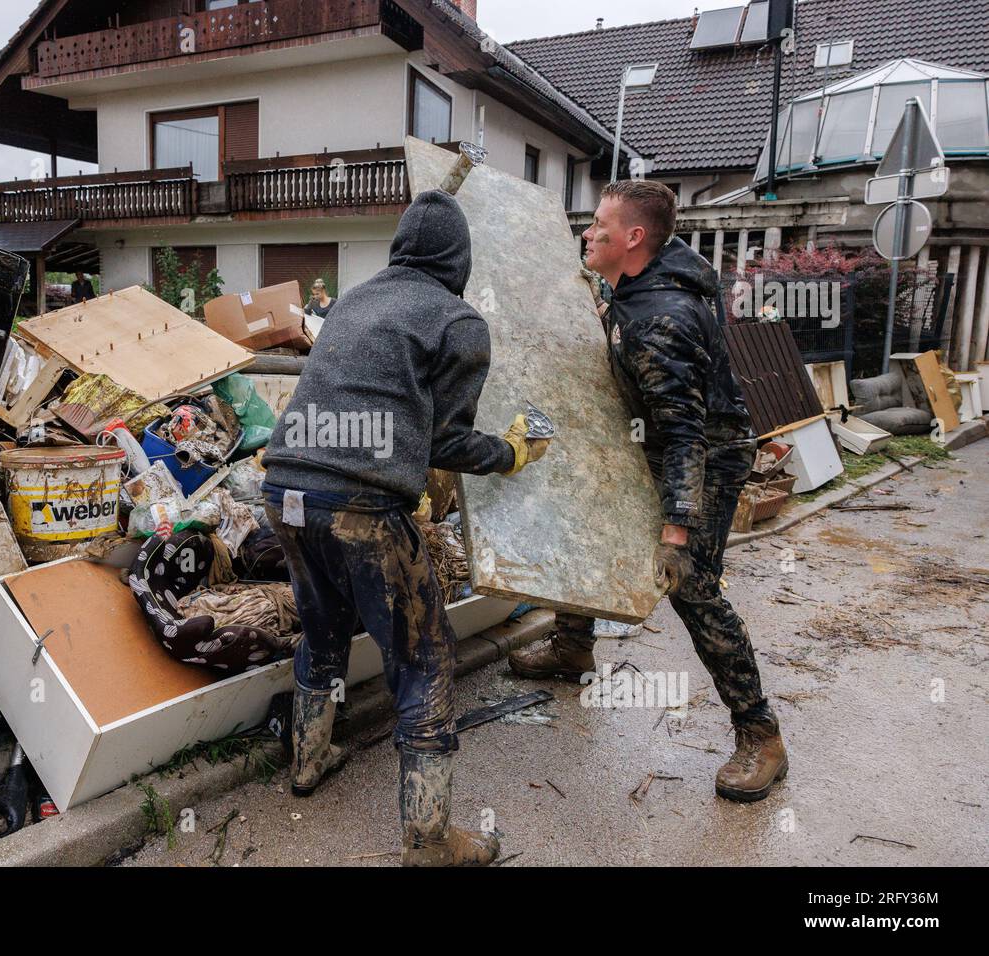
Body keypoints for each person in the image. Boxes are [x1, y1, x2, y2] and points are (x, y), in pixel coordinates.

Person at [261, 190, 550, 866]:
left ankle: (308, 761)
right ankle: (428, 842)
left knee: (324, 628)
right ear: (461, 260)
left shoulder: (354, 300)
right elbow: (447, 444)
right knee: (423, 660)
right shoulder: (458, 320)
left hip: (284, 492)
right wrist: (509, 452)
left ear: (399, 249)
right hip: (360, 508)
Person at [509, 179, 789, 803]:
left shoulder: (659, 319)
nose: (587, 234)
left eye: (599, 229)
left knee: (691, 585)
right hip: (659, 440)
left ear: (633, 239)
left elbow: (687, 433)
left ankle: (760, 734)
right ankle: (573, 646)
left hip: (706, 456)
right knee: (589, 522)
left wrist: (675, 530)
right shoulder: (643, 282)